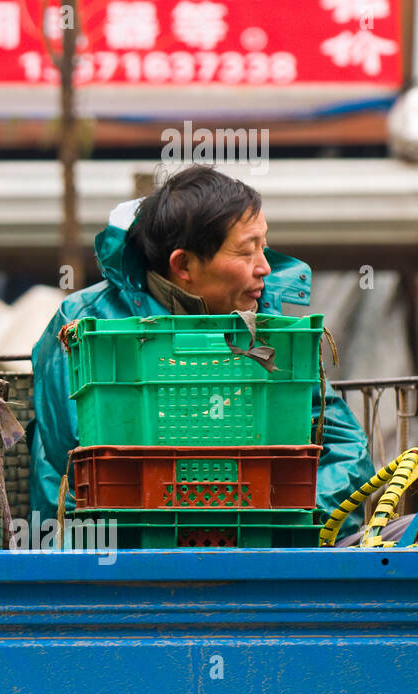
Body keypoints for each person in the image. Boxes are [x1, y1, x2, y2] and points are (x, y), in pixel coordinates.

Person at [29, 165, 374, 528]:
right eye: (245, 253)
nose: (266, 269)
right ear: (184, 265)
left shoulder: (269, 329)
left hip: (261, 548)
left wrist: (293, 514)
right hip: (114, 558)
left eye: (264, 247)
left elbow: (348, 448)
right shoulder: (87, 324)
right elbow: (74, 467)